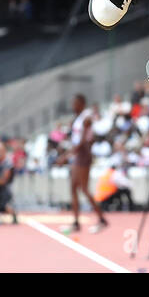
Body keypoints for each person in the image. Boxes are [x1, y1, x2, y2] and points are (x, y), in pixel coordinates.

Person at [60, 95, 107, 234]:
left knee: (84, 189)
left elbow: (82, 141)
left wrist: (66, 156)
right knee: (74, 187)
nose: (73, 106)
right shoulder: (79, 118)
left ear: (82, 103)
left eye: (75, 103)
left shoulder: (86, 118)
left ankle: (102, 219)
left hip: (83, 156)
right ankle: (76, 222)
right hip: (78, 156)